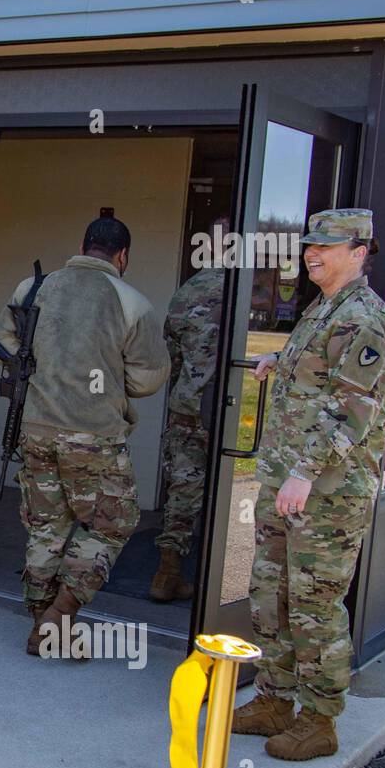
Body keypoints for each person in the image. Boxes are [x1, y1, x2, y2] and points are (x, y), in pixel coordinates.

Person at [232, 209, 385, 761]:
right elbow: (322, 371)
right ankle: (276, 699)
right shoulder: (325, 308)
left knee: (314, 605)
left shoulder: (367, 320)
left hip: (326, 492)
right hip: (288, 482)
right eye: (310, 244)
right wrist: (278, 361)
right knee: (270, 595)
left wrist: (306, 474)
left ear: (359, 252)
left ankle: (320, 720)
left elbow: (353, 408)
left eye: (326, 246)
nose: (312, 253)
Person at [0, 216, 169, 658]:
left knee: (45, 528)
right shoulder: (132, 302)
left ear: (82, 246)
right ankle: (61, 614)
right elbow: (147, 379)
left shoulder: (32, 288)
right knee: (113, 524)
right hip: (95, 437)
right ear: (122, 255)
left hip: (34, 428)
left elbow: (4, 343)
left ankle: (42, 625)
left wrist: (45, 373)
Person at [151, 216, 229, 602]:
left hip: (188, 406)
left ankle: (167, 573)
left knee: (183, 491)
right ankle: (226, 586)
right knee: (236, 490)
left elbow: (172, 357)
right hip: (236, 413)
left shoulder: (188, 291)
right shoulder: (246, 291)